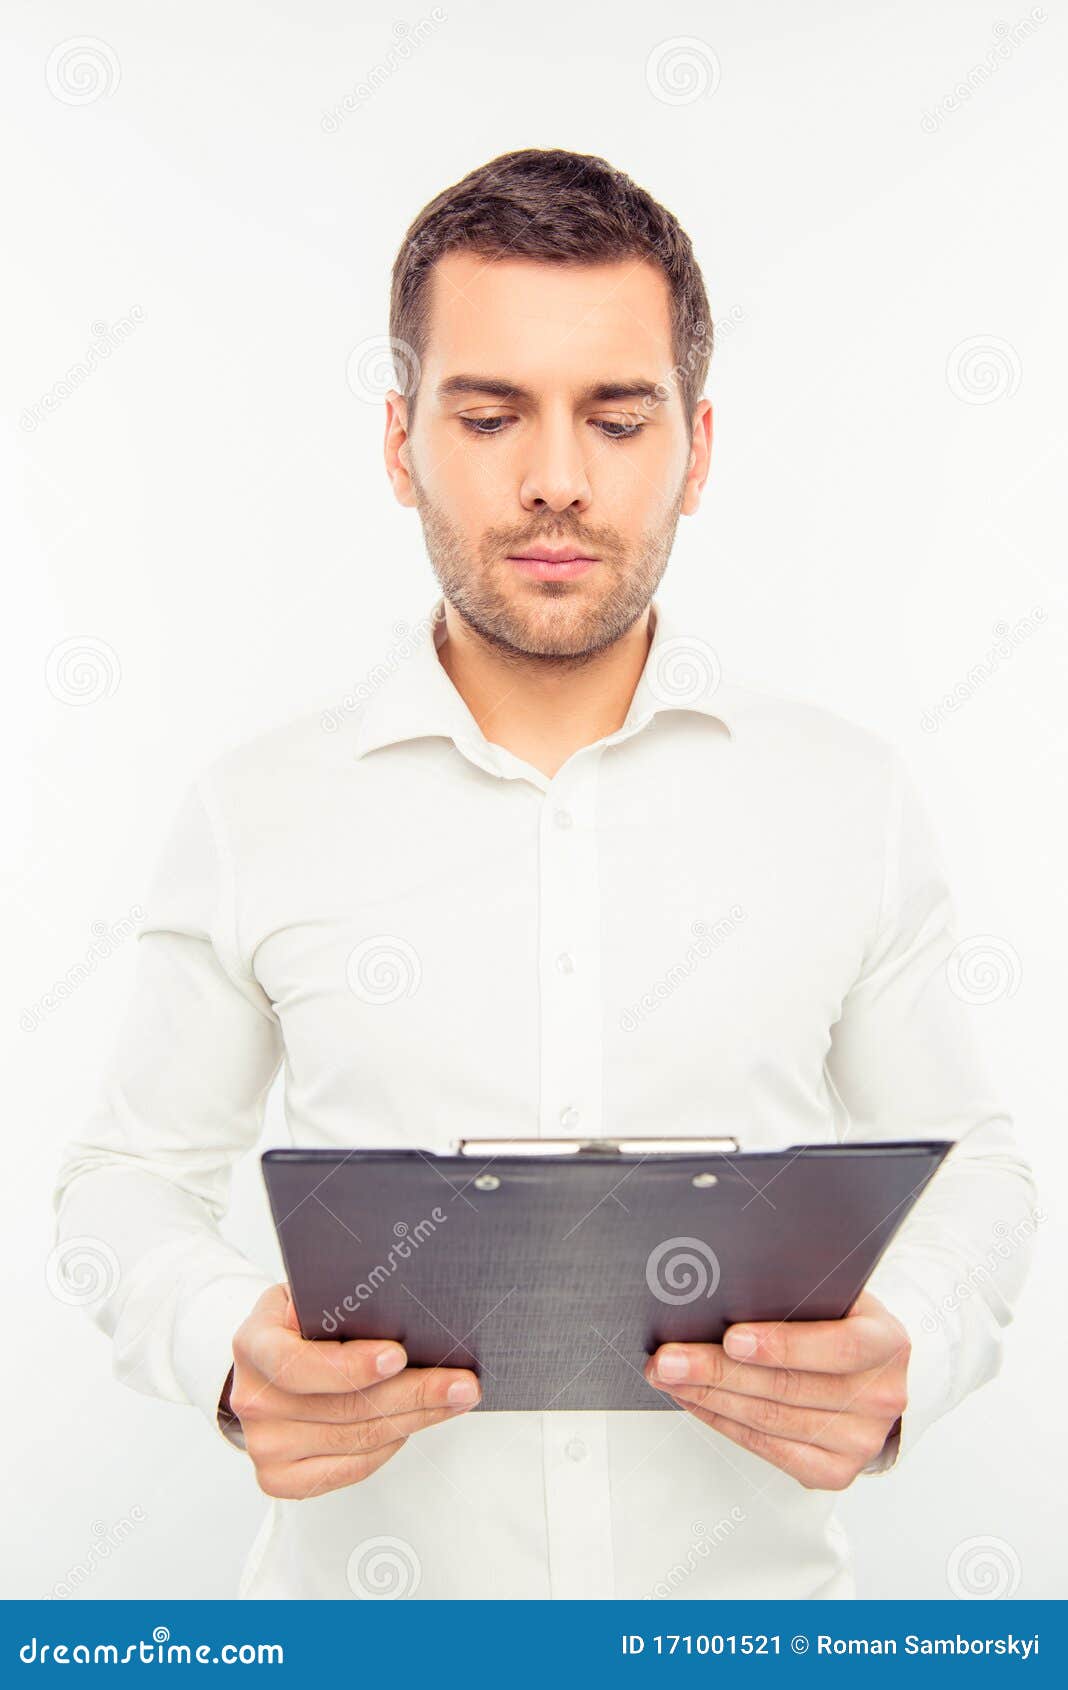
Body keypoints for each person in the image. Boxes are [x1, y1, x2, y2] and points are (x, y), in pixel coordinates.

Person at [53, 148, 1037, 1601]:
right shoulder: (256, 808)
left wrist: (914, 1347)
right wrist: (221, 1344)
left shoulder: (850, 801)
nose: (557, 479)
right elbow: (122, 1180)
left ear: (699, 446)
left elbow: (979, 1169)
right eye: (491, 413)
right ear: (399, 444)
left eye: (618, 417)